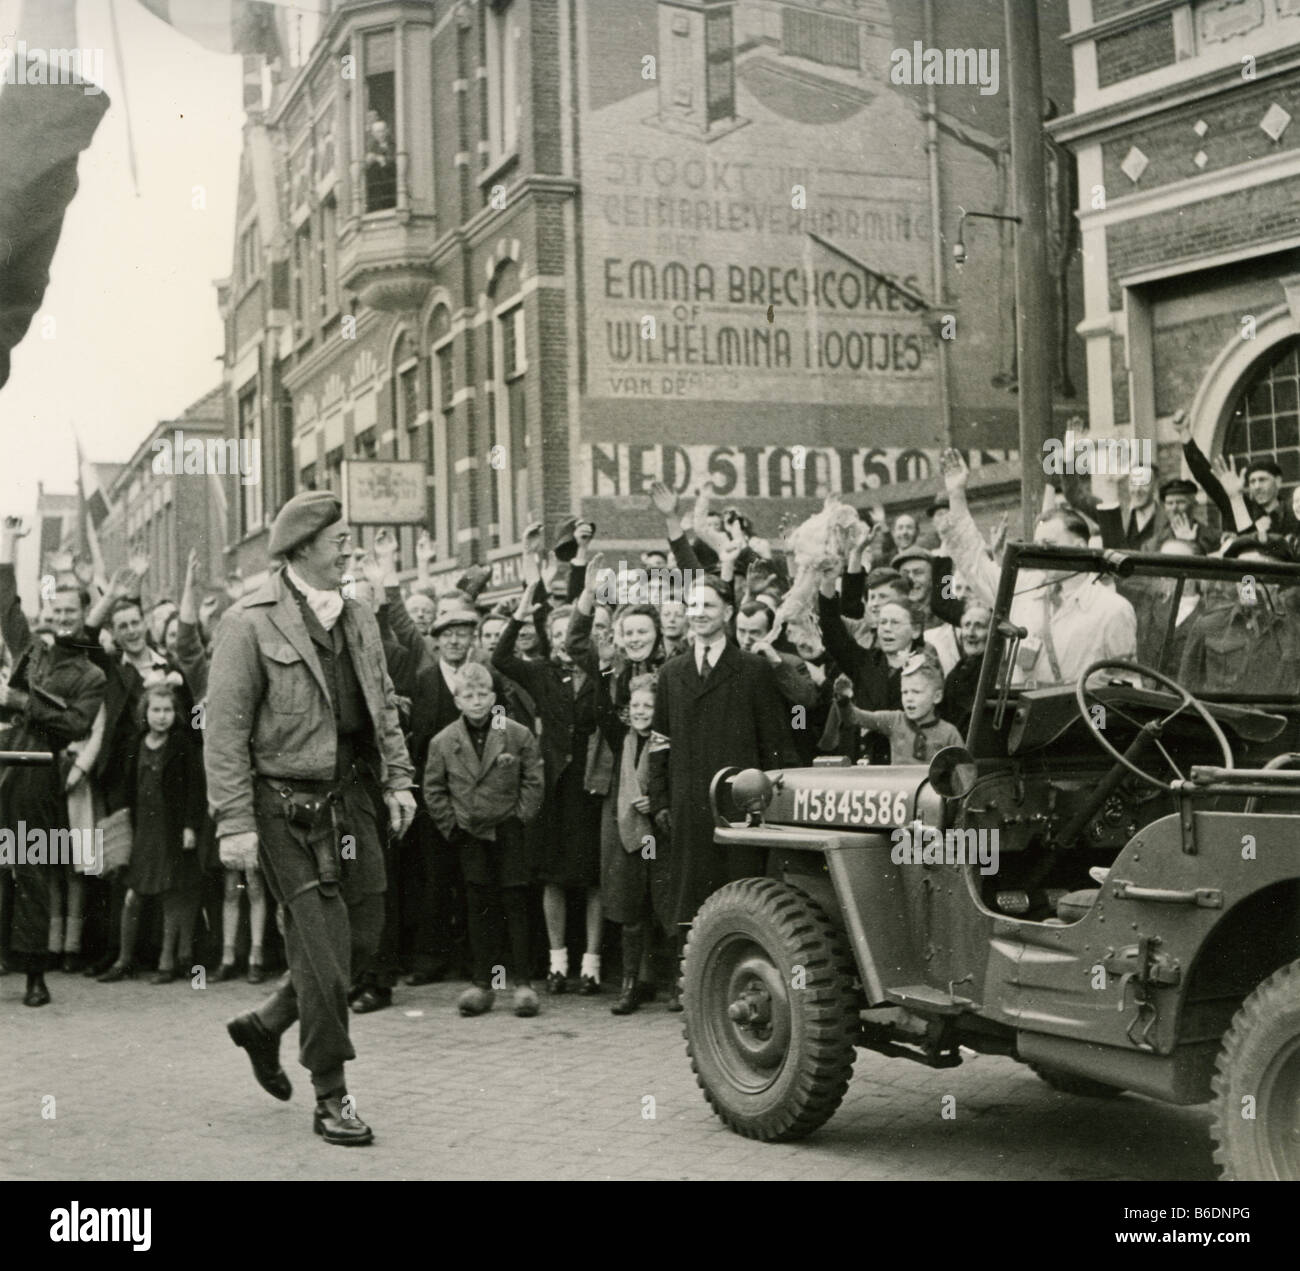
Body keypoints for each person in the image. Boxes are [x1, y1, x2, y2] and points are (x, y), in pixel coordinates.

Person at [205, 490, 416, 1147]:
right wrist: (234, 821)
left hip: (352, 798)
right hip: (282, 810)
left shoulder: (356, 615)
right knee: (324, 959)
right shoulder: (250, 623)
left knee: (363, 938)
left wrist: (400, 781)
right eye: (338, 538)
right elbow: (225, 729)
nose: (348, 546)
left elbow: (382, 705)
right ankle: (332, 1096)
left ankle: (265, 1024)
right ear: (301, 549)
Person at [647, 575, 798, 1007]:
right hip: (688, 806)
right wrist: (660, 800)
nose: (698, 614)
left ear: (728, 612)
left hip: (738, 808)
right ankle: (693, 990)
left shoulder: (751, 670)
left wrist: (772, 801)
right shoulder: (671, 673)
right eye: (692, 606)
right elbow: (660, 742)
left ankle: (745, 984)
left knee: (741, 895)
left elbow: (774, 742)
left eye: (708, 606)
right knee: (690, 894)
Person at [0, 519, 106, 1007]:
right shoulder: (33, 653)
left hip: (39, 779)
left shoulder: (90, 674)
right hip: (5, 769)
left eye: (71, 611)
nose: (63, 618)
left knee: (34, 872)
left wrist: (22, 702)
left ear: (84, 616)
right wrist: (10, 544)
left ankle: (35, 975)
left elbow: (76, 725)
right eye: (57, 609)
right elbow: (5, 605)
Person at [939, 449, 1137, 687]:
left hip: (1081, 718)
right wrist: (957, 494)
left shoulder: (1112, 608)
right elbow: (974, 563)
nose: (1041, 553)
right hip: (1023, 717)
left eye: (1050, 545)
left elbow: (1126, 688)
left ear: (1080, 545)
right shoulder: (1023, 588)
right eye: (1038, 545)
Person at [493, 582, 605, 994]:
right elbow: (500, 657)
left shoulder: (599, 671)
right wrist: (521, 610)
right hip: (554, 785)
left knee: (594, 876)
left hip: (593, 783)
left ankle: (591, 965)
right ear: (549, 640)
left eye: (570, 633)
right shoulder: (541, 674)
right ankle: (559, 964)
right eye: (556, 634)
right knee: (552, 875)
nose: (563, 641)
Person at [423, 662, 544, 1018]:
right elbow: (434, 789)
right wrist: (453, 827)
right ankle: (483, 983)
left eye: (482, 695)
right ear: (457, 700)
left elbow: (534, 779)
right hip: (471, 835)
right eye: (468, 695)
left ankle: (522, 983)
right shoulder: (443, 741)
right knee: (479, 908)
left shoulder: (516, 734)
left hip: (508, 830)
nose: (476, 701)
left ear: (493, 698)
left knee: (516, 904)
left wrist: (521, 816)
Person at [96, 683, 204, 985]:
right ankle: (124, 959)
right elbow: (125, 787)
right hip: (142, 828)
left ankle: (167, 962)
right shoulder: (136, 744)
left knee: (170, 895)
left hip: (169, 830)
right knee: (133, 896)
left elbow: (195, 790)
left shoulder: (182, 745)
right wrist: (123, 817)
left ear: (175, 713)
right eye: (156, 710)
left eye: (167, 710)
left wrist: (189, 827)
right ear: (145, 712)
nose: (161, 716)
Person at [1178, 537, 1300, 696]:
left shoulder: (1295, 632)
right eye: (1240, 573)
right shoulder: (1209, 625)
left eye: (1253, 574)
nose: (1245, 583)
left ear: (1277, 581)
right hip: (1217, 719)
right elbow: (1185, 690)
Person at [827, 655, 964, 763]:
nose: (909, 698)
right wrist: (843, 699)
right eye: (905, 692)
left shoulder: (949, 733)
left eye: (916, 692)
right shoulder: (895, 720)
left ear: (937, 696)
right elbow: (855, 718)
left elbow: (962, 774)